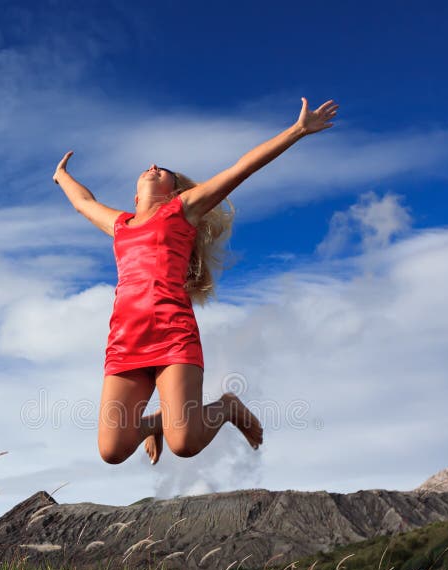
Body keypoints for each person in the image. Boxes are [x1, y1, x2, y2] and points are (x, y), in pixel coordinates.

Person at [53, 96, 339, 466]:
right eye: (147, 169)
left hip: (173, 333)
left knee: (184, 443)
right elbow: (83, 203)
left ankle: (227, 407)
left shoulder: (182, 210)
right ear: (135, 195)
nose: (153, 166)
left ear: (174, 190)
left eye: (163, 168)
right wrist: (61, 176)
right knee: (112, 449)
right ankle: (155, 424)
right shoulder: (120, 225)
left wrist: (298, 130)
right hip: (125, 339)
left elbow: (241, 168)